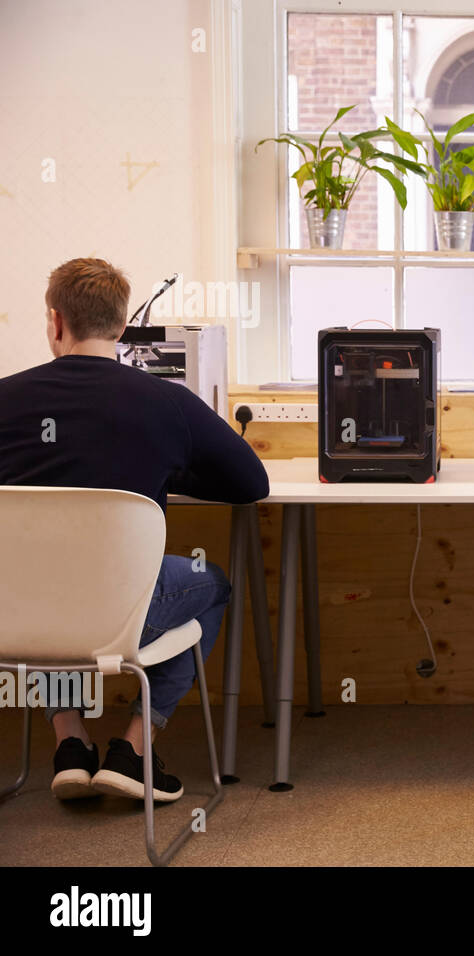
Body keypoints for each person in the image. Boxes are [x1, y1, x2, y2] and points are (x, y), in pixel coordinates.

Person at [0, 258, 269, 804]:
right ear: (123, 328)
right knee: (211, 584)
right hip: (125, 611)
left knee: (52, 593)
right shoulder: (166, 402)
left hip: (16, 612)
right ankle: (135, 749)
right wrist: (174, 469)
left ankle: (70, 744)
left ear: (55, 322)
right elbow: (250, 483)